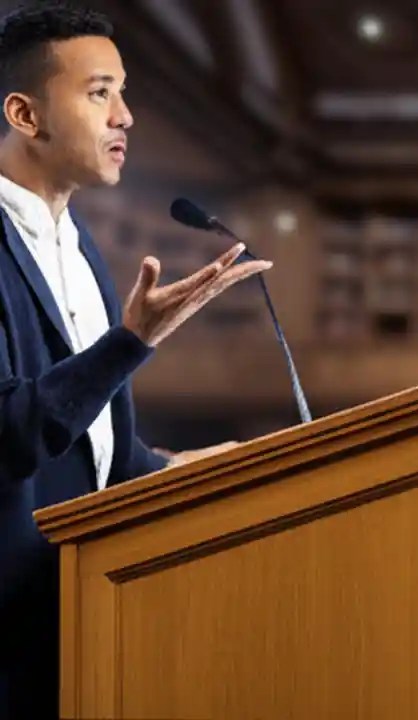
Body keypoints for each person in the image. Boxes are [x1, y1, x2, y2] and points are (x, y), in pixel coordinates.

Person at [0, 5, 271, 718]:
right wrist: (132, 341)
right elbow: (12, 433)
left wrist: (181, 470)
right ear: (25, 115)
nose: (125, 116)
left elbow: (95, 455)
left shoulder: (80, 245)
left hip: (82, 620)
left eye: (122, 92)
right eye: (99, 93)